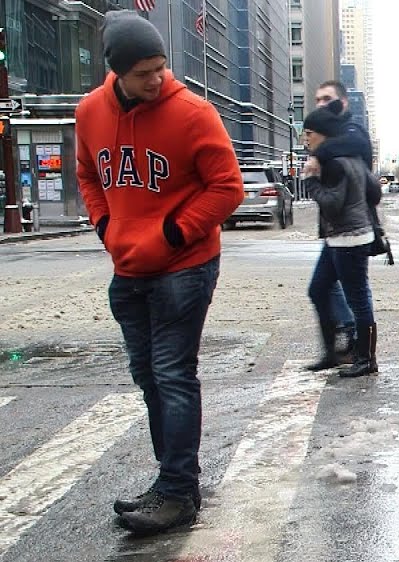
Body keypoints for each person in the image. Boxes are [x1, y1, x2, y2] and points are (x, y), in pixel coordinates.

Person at [75, 11, 243, 534]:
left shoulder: (193, 113)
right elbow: (87, 174)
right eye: (144, 72)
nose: (157, 79)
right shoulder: (89, 112)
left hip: (185, 264)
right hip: (127, 266)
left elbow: (227, 188)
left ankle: (175, 491)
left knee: (171, 373)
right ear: (117, 71)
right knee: (148, 376)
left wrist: (173, 233)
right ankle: (174, 483)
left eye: (161, 67)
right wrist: (105, 226)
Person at [304, 80, 380, 368]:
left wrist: (313, 177)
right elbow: (372, 190)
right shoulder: (340, 152)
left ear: (342, 103)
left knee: (357, 296)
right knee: (320, 288)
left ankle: (364, 356)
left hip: (349, 234)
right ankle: (336, 352)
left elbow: (334, 204)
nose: (321, 104)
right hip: (340, 234)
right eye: (318, 100)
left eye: (327, 99)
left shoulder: (350, 139)